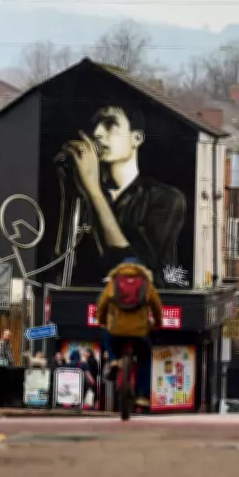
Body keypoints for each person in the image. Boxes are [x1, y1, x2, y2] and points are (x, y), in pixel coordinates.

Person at [58, 105, 187, 287]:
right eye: (95, 125)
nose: (97, 133)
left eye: (110, 124)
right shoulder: (82, 192)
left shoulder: (166, 199)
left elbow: (134, 270)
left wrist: (94, 190)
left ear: (136, 138)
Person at [97, 257, 163, 407]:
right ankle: (143, 394)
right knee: (145, 357)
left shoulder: (114, 282)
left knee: (106, 339)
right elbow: (157, 306)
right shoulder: (146, 283)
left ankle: (114, 360)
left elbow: (103, 303)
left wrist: (102, 320)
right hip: (139, 332)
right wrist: (158, 323)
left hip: (116, 330)